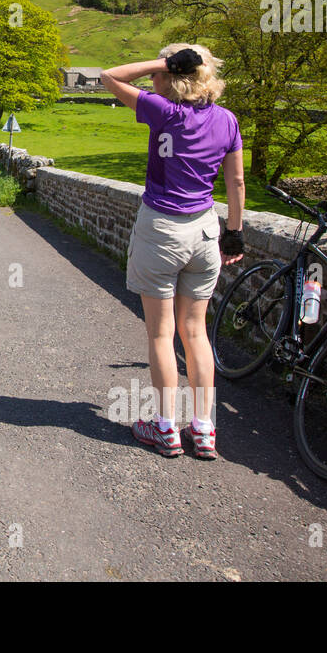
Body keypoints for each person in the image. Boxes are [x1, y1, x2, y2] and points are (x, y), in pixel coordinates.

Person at [100, 45, 245, 459]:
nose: (152, 81)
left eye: (160, 74)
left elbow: (109, 76)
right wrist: (233, 234)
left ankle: (165, 427)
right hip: (204, 230)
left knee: (162, 334)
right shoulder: (227, 120)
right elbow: (235, 184)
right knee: (195, 332)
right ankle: (203, 428)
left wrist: (162, 62)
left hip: (161, 228)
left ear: (174, 75)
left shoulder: (165, 113)